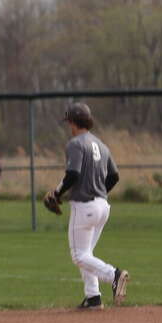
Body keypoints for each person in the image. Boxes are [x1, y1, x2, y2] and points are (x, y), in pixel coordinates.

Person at [47, 102, 130, 310]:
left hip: (84, 207)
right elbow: (114, 176)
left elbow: (73, 174)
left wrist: (57, 193)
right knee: (87, 255)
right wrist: (99, 192)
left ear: (74, 122)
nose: (69, 127)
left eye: (69, 122)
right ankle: (93, 297)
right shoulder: (101, 145)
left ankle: (114, 275)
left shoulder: (75, 143)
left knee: (79, 256)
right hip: (103, 206)